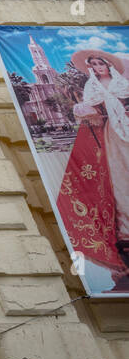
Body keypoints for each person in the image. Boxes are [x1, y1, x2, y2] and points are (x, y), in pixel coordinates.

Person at [57, 49, 129, 278]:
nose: (98, 67)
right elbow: (93, 110)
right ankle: (125, 231)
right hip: (112, 135)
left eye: (101, 63)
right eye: (94, 65)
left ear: (108, 64)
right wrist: (87, 111)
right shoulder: (93, 87)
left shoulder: (123, 84)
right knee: (119, 178)